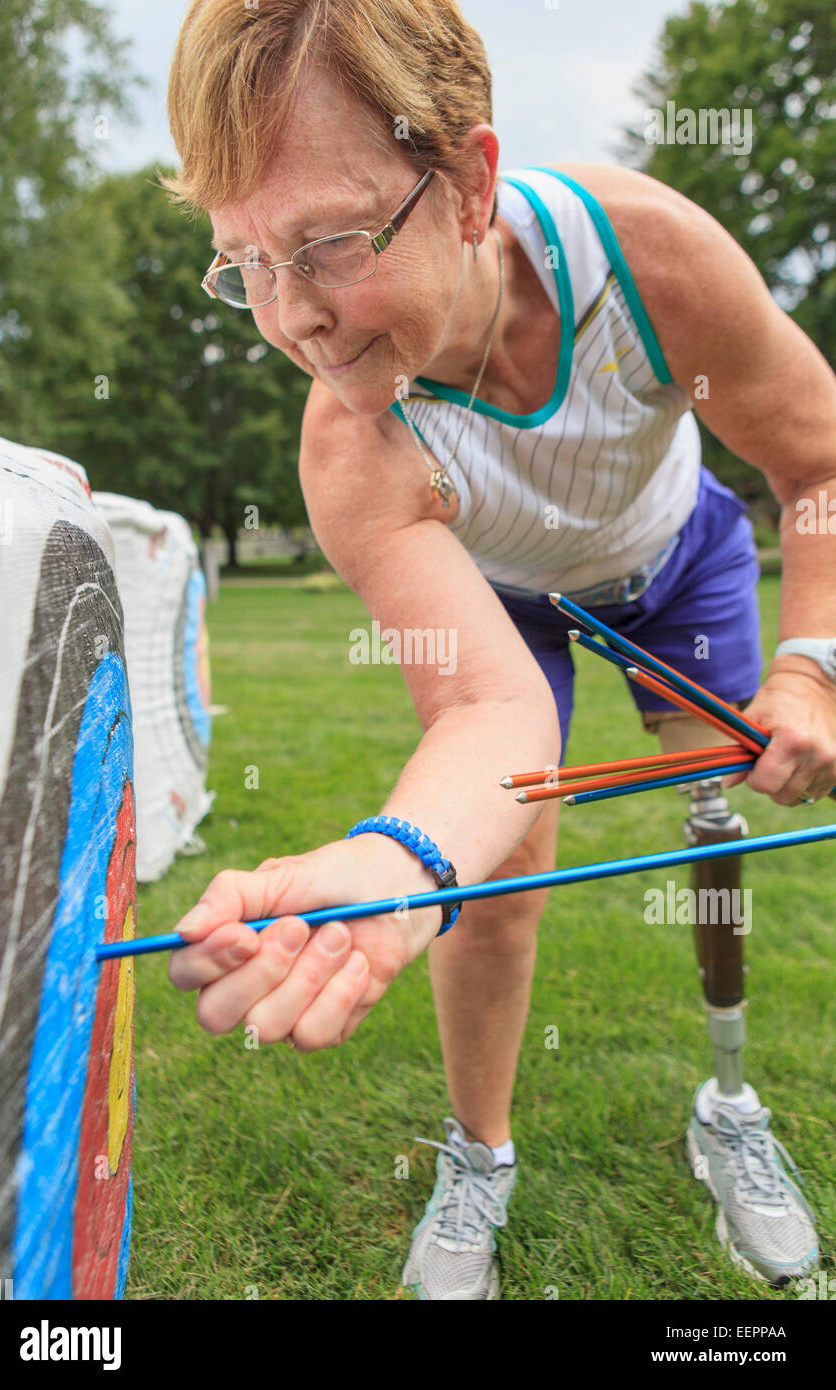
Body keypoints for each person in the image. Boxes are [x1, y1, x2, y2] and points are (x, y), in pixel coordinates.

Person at [159, 0, 836, 1299]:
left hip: (677, 555)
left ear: (468, 182)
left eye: (330, 241)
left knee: (715, 827)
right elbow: (486, 706)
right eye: (244, 262)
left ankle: (729, 1103)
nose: (291, 316)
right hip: (508, 599)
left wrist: (808, 663)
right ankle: (480, 1151)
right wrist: (397, 858)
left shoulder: (648, 260)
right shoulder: (351, 448)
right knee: (495, 882)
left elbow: (814, 459)